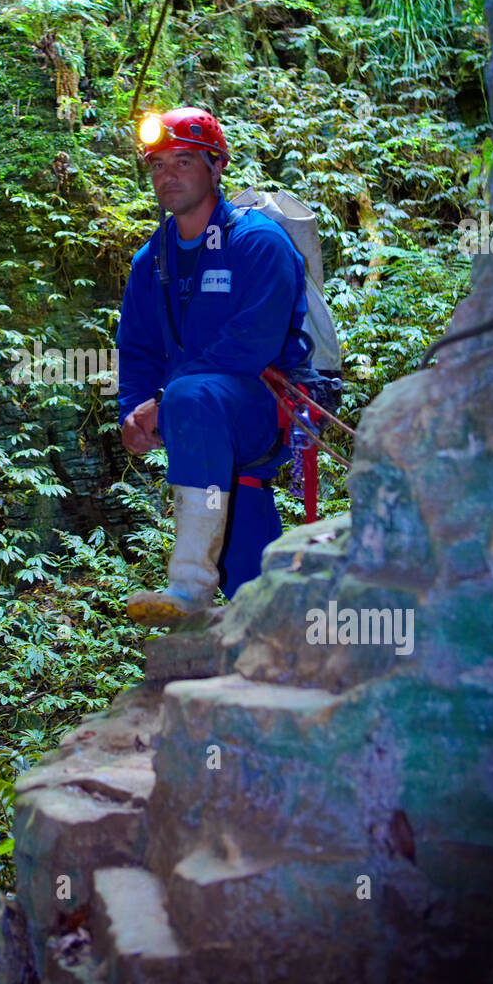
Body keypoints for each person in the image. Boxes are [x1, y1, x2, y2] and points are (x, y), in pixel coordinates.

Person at [116, 105, 312, 626]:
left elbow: (253, 342)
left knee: (193, 396)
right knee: (254, 579)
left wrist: (165, 401)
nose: (168, 175)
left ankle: (187, 585)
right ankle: (281, 633)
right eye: (158, 165)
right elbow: (136, 348)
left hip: (262, 406)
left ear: (216, 166)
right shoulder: (151, 261)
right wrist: (133, 410)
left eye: (183, 161)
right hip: (200, 423)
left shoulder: (256, 242)